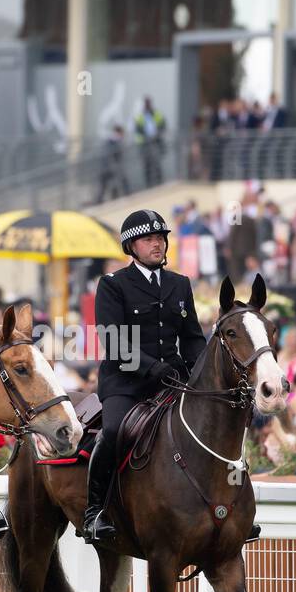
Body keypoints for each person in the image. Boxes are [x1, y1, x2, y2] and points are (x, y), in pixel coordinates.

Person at [84, 209, 207, 544]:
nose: (158, 244)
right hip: (127, 382)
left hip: (173, 380)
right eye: (149, 239)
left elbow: (193, 337)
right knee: (111, 431)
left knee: (211, 421)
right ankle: (95, 511)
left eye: (161, 238)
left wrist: (202, 375)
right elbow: (111, 339)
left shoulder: (180, 284)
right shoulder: (113, 285)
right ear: (131, 246)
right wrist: (151, 367)